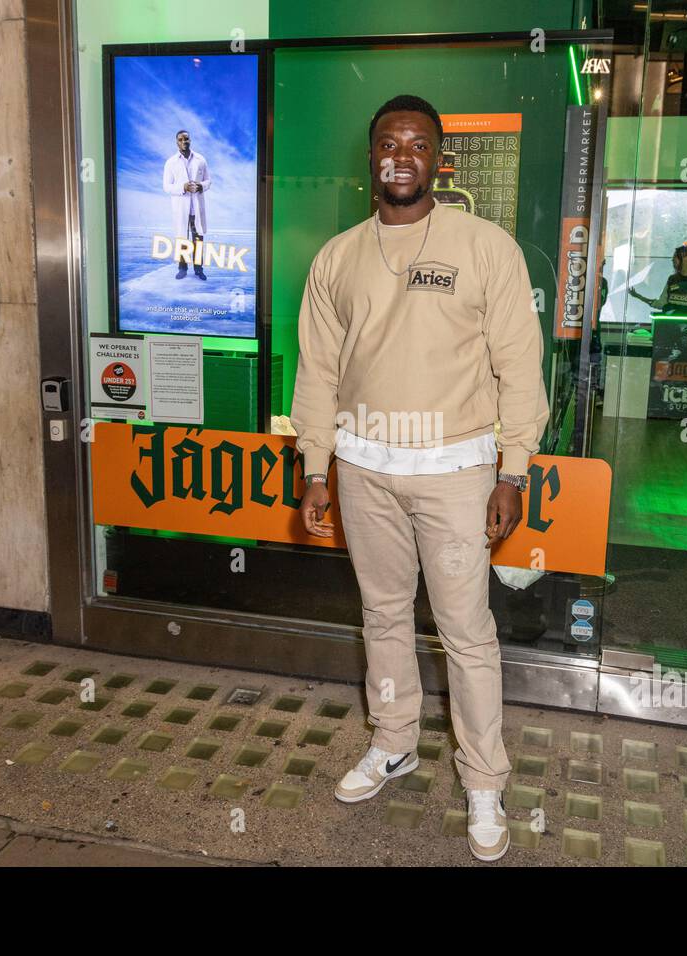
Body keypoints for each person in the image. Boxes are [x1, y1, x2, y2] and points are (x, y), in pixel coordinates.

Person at [290, 93, 549, 863]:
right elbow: (318, 373)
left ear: (441, 160)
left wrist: (514, 470)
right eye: (386, 143)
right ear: (369, 158)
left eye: (416, 144)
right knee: (382, 617)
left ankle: (482, 782)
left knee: (468, 635)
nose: (400, 154)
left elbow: (518, 368)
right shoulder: (336, 257)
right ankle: (395, 743)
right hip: (365, 469)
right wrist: (314, 466)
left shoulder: (485, 247)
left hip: (457, 471)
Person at [161, 130, 211, 280]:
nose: (184, 141)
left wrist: (201, 186)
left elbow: (209, 180)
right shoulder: (171, 162)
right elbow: (166, 186)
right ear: (177, 142)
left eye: (186, 139)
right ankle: (182, 268)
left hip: (196, 208)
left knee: (198, 240)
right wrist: (182, 187)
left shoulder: (200, 159)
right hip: (181, 208)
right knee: (182, 239)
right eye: (180, 139)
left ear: (190, 140)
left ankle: (198, 269)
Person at [629, 243, 687, 314]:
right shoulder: (672, 279)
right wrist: (639, 297)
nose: (673, 259)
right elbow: (661, 303)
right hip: (668, 324)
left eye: (676, 256)